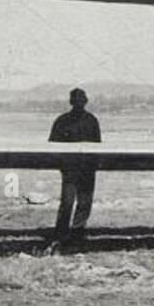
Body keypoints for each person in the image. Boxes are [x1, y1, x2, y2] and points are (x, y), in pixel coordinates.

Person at [45, 87, 101, 252]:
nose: (79, 103)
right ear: (71, 102)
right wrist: (62, 164)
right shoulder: (62, 121)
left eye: (81, 100)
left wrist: (94, 165)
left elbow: (97, 144)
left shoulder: (92, 120)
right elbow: (52, 145)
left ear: (85, 101)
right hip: (70, 169)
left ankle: (77, 234)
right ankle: (60, 236)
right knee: (67, 202)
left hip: (87, 169)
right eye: (76, 100)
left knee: (85, 202)